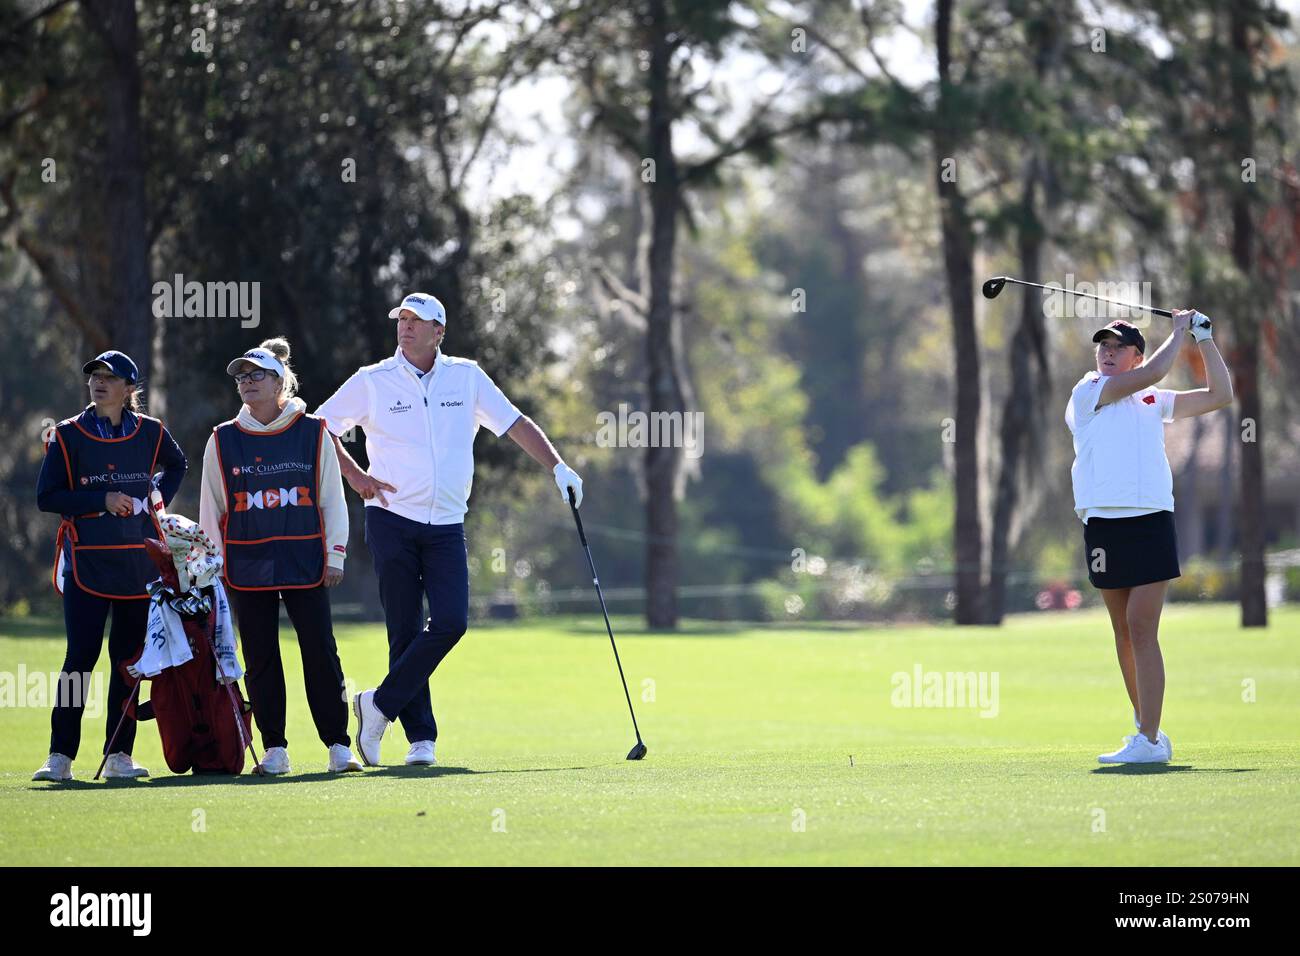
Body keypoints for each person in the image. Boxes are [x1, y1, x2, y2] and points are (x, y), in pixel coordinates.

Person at [315, 292, 583, 767]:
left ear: (440, 331)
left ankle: (376, 704)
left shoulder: (467, 376)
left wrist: (557, 467)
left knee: (452, 621)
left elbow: (515, 423)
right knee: (403, 627)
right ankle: (422, 740)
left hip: (445, 524)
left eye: (418, 321)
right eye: (402, 319)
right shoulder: (373, 380)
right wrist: (355, 475)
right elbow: (321, 427)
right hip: (391, 518)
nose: (406, 327)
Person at [1065, 311, 1233, 764]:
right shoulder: (1088, 392)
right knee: (1122, 632)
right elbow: (1156, 370)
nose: (1108, 353)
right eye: (1103, 346)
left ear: (1135, 354)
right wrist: (1178, 330)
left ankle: (1150, 739)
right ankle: (1147, 733)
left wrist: (1203, 338)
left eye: (1118, 347)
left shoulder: (1153, 398)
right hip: (1103, 524)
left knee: (1142, 625)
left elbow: (1221, 394)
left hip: (1151, 521)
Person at [198, 338, 363, 774]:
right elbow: (211, 511)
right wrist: (211, 568)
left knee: (321, 653)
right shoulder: (222, 439)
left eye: (257, 375)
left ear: (279, 383)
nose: (247, 382)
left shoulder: (313, 432)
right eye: (242, 377)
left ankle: (338, 745)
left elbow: (331, 499)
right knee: (261, 656)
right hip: (245, 564)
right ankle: (275, 748)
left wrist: (336, 556)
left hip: (306, 561)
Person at [34, 350, 188, 781]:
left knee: (128, 661)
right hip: (86, 564)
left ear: (129, 389)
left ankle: (119, 755)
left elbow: (178, 464)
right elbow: (48, 497)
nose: (99, 383)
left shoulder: (152, 432)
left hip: (136, 566)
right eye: (95, 377)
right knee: (78, 660)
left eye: (110, 377)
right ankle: (59, 757)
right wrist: (99, 501)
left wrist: (156, 502)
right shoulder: (68, 435)